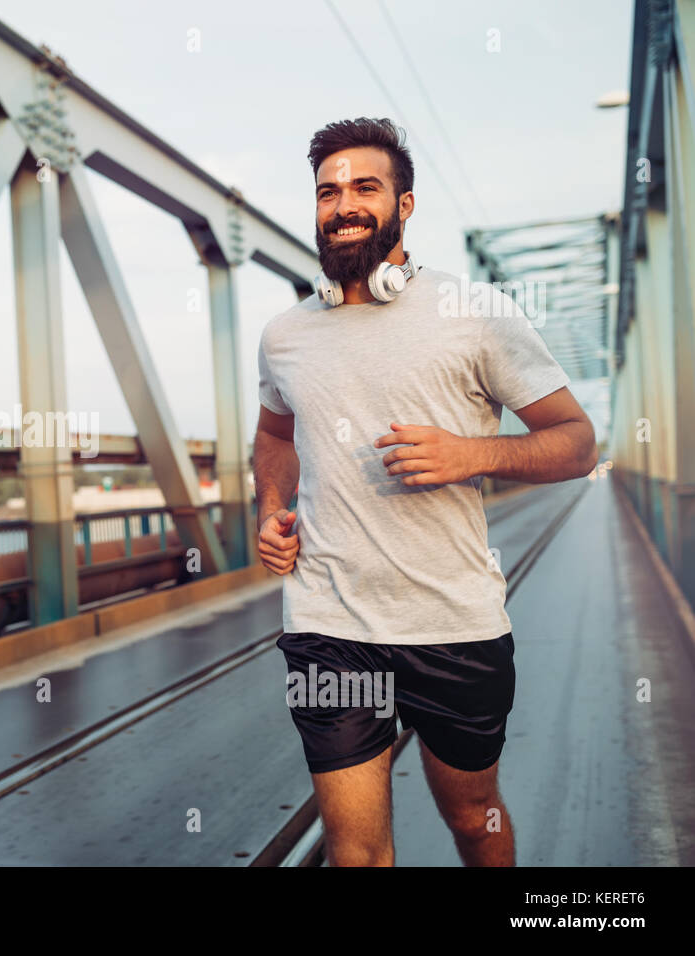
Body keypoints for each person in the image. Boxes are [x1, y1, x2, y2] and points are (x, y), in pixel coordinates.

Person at [254, 117, 597, 867]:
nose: (344, 204)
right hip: (328, 625)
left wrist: (469, 452)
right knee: (356, 854)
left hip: (453, 624)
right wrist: (271, 510)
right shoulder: (284, 335)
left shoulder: (475, 314)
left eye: (365, 188)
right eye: (328, 191)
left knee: (474, 821)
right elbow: (275, 435)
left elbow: (577, 442)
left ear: (404, 206)